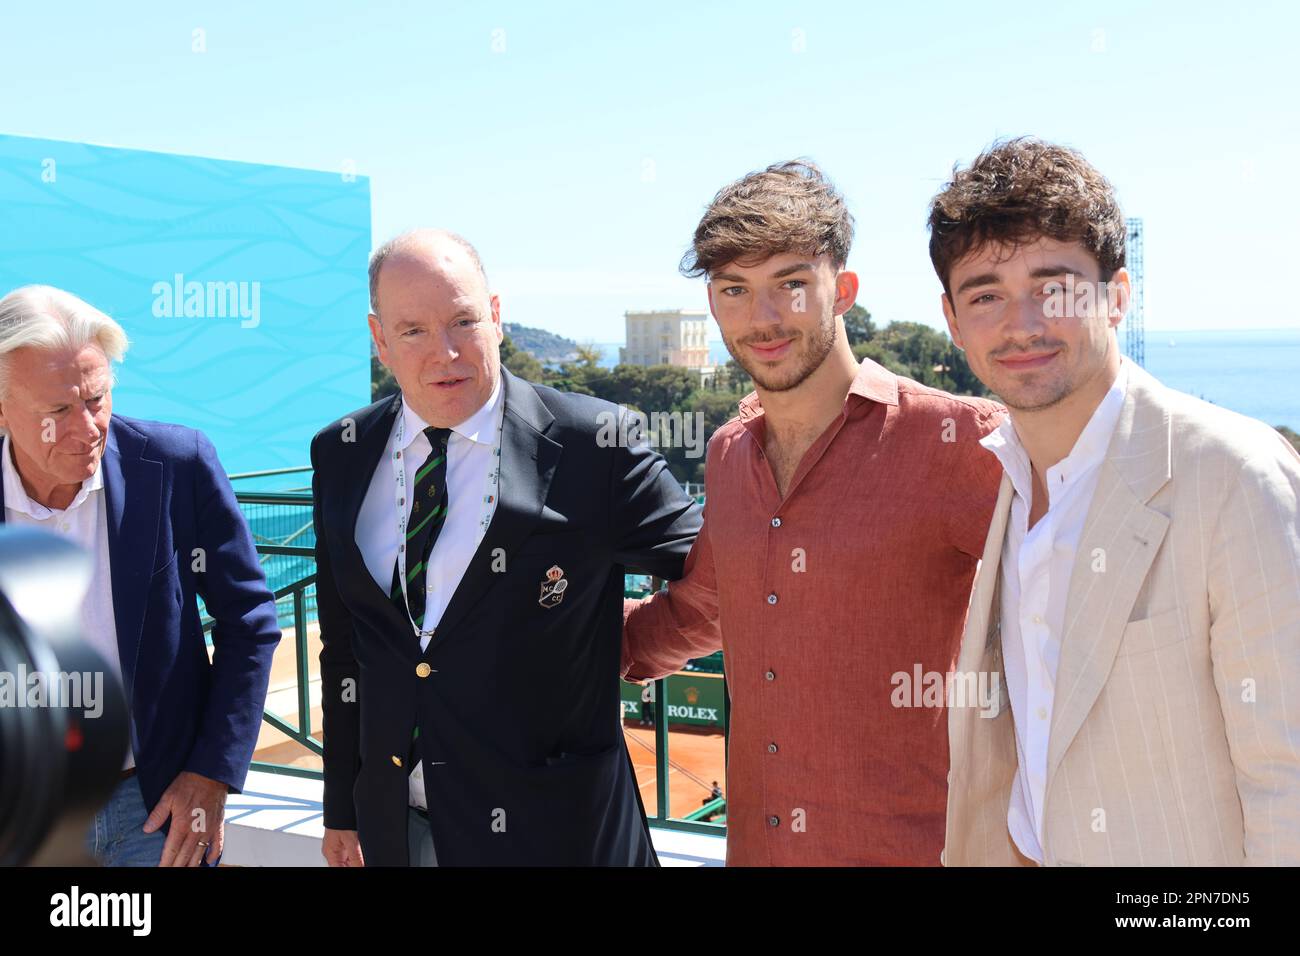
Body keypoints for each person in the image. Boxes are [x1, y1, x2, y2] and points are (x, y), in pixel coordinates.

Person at [621, 161, 1005, 865]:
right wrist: (547, 635)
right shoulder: (730, 453)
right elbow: (703, 605)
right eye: (735, 290)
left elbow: (1071, 622)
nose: (762, 319)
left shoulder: (958, 440)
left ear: (844, 291)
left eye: (791, 285)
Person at [933, 138, 1300, 866]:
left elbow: (1287, 780)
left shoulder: (1233, 476)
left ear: (1118, 297)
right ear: (951, 319)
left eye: (1055, 286)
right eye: (986, 295)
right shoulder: (1005, 478)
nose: (1022, 324)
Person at [311, 229, 701, 866]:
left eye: (463, 320)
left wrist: (636, 643)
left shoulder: (593, 442)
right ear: (380, 339)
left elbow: (719, 571)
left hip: (554, 830)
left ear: (495, 316)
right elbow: (346, 648)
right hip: (397, 831)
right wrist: (343, 809)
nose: (446, 353)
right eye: (413, 330)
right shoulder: (341, 451)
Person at [0, 285, 281, 866]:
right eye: (57, 411)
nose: (87, 428)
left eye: (97, 399)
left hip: (155, 815)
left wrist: (212, 773)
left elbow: (249, 622)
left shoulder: (178, 464)